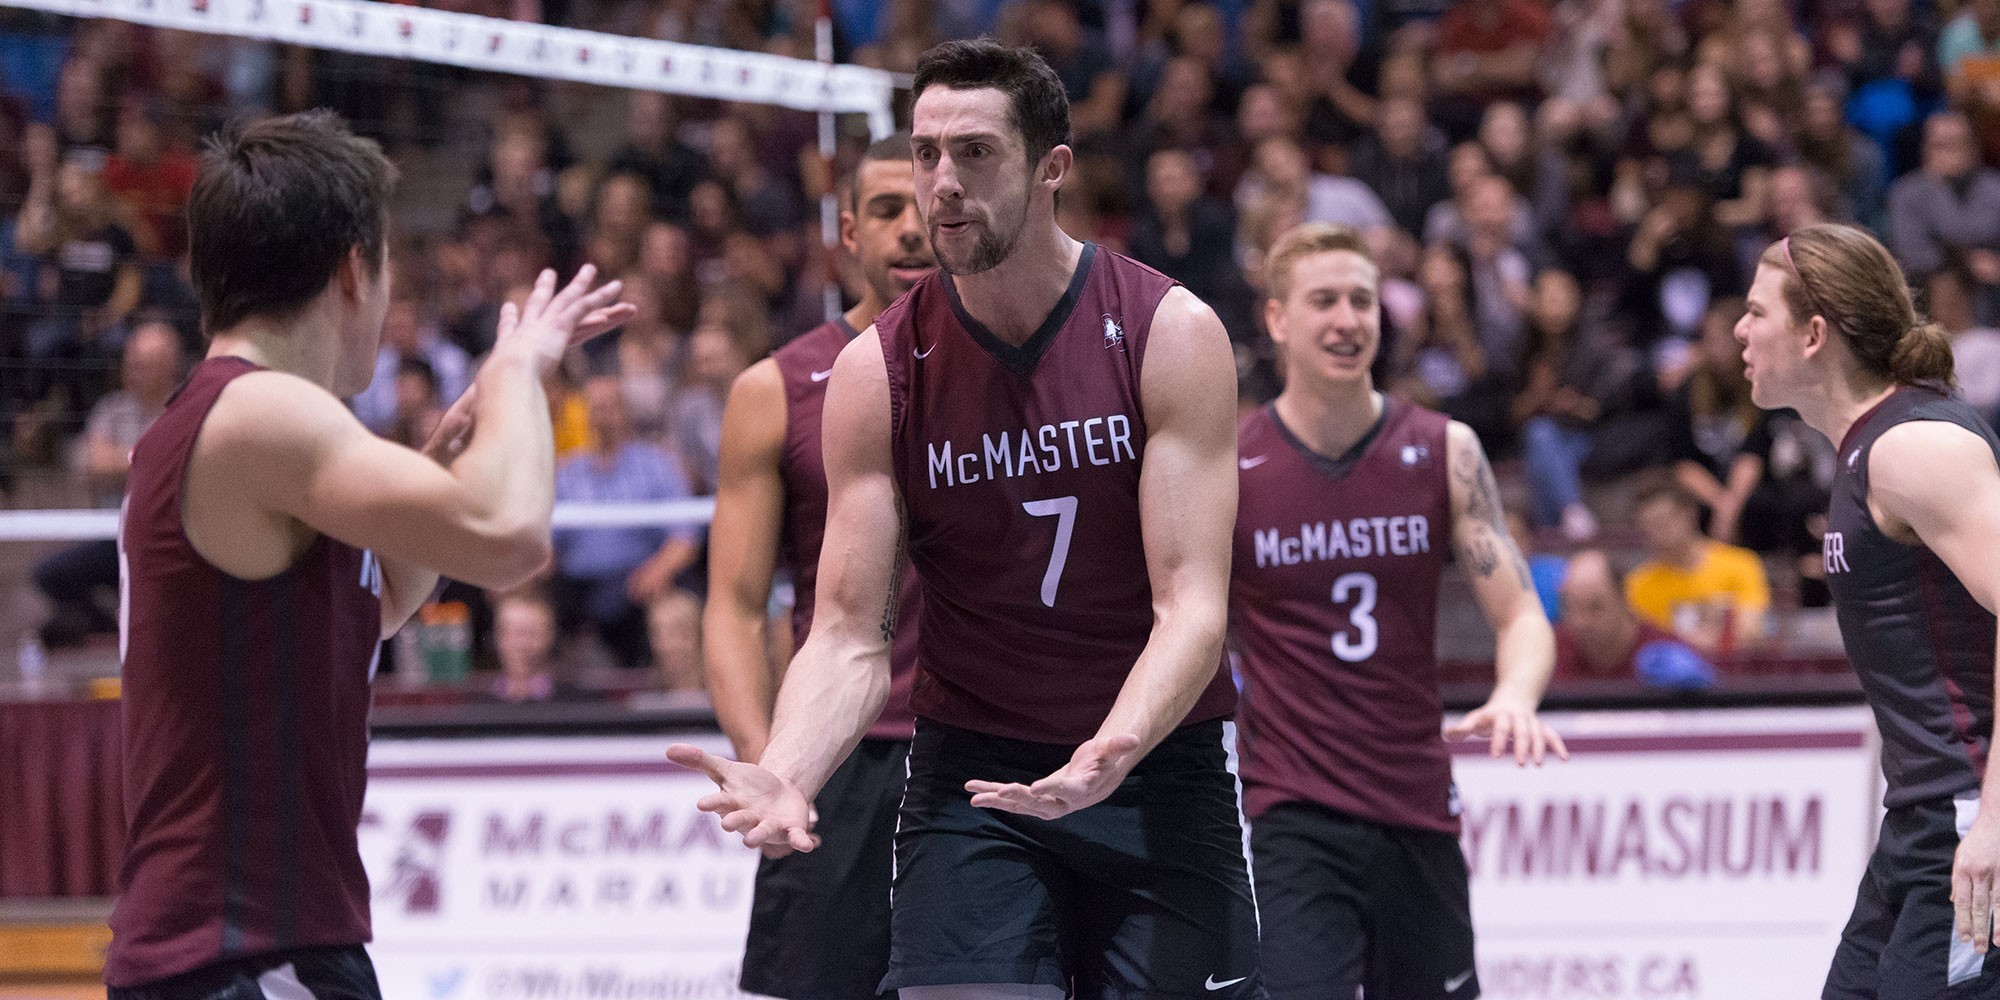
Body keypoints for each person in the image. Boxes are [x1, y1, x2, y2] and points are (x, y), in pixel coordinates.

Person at [672, 39, 1260, 998]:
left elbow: (1193, 604)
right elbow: (851, 636)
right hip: (972, 783)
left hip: (1155, 765)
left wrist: (1112, 745)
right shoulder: (876, 372)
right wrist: (787, 767)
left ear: (1051, 167)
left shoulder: (1169, 332)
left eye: (975, 153)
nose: (942, 184)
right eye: (926, 153)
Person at [106, 110, 630, 999]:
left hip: (265, 943)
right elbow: (511, 539)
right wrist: (517, 370)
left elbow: (369, 602)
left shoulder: (232, 418)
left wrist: (454, 452)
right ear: (356, 269)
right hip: (238, 949)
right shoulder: (262, 414)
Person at [1228, 221, 1566, 1000]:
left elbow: (1519, 613)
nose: (1348, 320)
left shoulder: (1444, 448)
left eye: (1363, 300)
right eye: (1323, 302)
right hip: (1293, 809)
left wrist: (1515, 695)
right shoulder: (1236, 463)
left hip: (1416, 800)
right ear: (1277, 319)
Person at [1735, 221, 2000, 998]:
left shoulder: (1912, 448)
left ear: (1814, 333)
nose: (1738, 330)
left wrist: (1992, 821)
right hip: (1921, 826)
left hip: (1969, 816)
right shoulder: (1864, 449)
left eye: (1756, 312)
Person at [702, 132, 934, 1000]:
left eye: (922, 207)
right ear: (847, 232)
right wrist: (772, 764)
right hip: (840, 761)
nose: (910, 230)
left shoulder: (1015, 378)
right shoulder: (775, 389)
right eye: (885, 211)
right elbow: (731, 605)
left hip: (983, 747)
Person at [35, 319, 182, 646]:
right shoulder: (113, 408)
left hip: (168, 538)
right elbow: (93, 465)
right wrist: (152, 459)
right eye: (130, 362)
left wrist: (125, 460)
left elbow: (186, 468)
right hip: (111, 535)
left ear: (169, 365)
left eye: (143, 365)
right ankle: (110, 625)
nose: (132, 372)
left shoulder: (184, 408)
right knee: (49, 574)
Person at [550, 373, 702, 669]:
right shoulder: (568, 471)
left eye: (609, 406)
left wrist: (658, 569)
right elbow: (546, 543)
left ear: (626, 411)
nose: (601, 415)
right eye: (594, 407)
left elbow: (685, 537)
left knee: (665, 606)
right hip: (575, 587)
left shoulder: (657, 464)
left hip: (637, 584)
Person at [1625, 479, 1771, 655]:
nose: (1657, 534)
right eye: (1648, 526)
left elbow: (1750, 634)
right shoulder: (1638, 583)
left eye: (1662, 522)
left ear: (1689, 513)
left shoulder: (1741, 564)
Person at [1555, 549, 1716, 688]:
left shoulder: (1663, 652)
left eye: (1596, 608)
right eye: (1570, 607)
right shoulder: (1550, 652)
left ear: (1623, 600)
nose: (1581, 622)